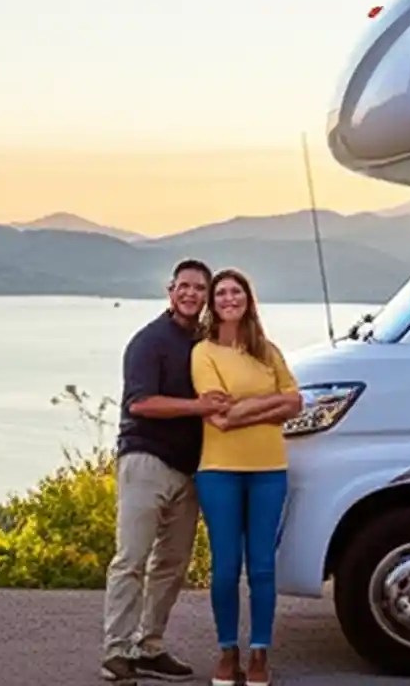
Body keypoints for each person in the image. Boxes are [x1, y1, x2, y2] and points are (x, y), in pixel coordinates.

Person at [101, 258, 231, 684]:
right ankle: (116, 652)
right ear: (170, 290)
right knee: (131, 559)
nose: (191, 294)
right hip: (145, 461)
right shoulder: (149, 341)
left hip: (189, 469)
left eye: (199, 288)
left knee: (172, 564)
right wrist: (199, 406)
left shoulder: (208, 344)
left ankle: (149, 645)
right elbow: (140, 404)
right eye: (184, 286)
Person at [189, 268, 302, 686]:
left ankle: (258, 654)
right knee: (224, 568)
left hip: (269, 469)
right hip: (218, 472)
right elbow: (219, 417)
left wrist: (248, 408)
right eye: (221, 293)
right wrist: (271, 404)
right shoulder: (203, 353)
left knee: (262, 568)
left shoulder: (266, 351)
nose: (229, 299)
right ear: (213, 304)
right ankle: (226, 651)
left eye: (236, 292)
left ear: (248, 300)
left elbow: (297, 401)